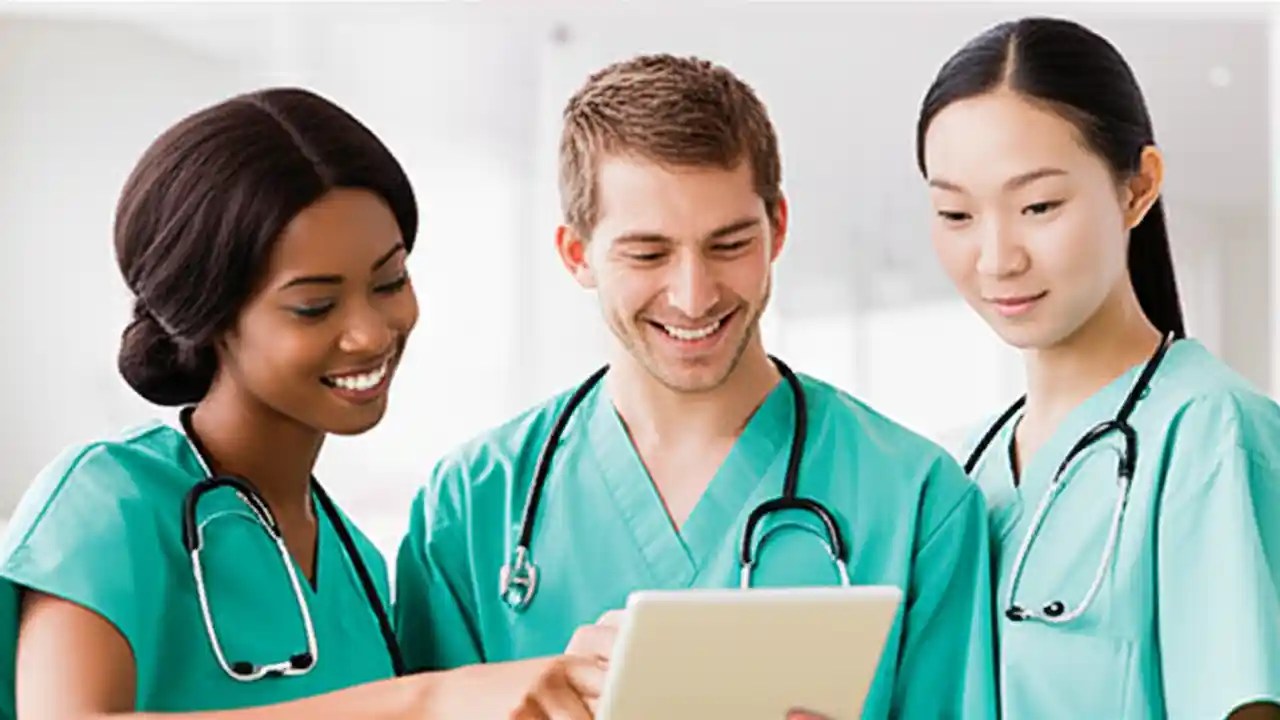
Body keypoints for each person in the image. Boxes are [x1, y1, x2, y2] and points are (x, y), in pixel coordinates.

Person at [394, 54, 997, 718]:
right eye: (648, 254)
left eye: (729, 244)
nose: (693, 295)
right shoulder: (473, 509)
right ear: (577, 254)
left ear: (778, 229)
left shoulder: (917, 501)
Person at [0, 87, 603, 719]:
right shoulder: (108, 501)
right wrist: (428, 699)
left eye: (389, 281)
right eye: (314, 305)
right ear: (210, 318)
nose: (370, 333)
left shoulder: (356, 565)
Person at [916, 16, 1280, 719]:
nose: (997, 258)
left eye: (1038, 205)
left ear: (1138, 188)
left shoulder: (1210, 434)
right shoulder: (960, 474)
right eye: (956, 214)